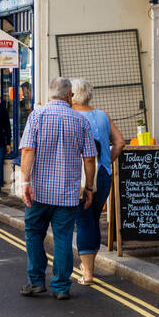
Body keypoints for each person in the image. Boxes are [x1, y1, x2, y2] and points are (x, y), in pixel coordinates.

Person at [19, 77, 96, 300]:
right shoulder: (80, 121)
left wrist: (25, 183)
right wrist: (89, 188)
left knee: (34, 234)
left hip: (39, 192)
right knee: (62, 238)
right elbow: (90, 159)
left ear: (51, 93)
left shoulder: (37, 115)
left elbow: (27, 151)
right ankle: (61, 287)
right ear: (69, 95)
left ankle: (36, 282)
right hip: (67, 195)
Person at [71, 79, 125, 284]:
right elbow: (119, 143)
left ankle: (88, 273)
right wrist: (107, 161)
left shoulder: (72, 116)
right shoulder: (102, 115)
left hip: (82, 175)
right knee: (93, 219)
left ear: (72, 95)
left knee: (83, 221)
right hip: (104, 173)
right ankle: (88, 265)